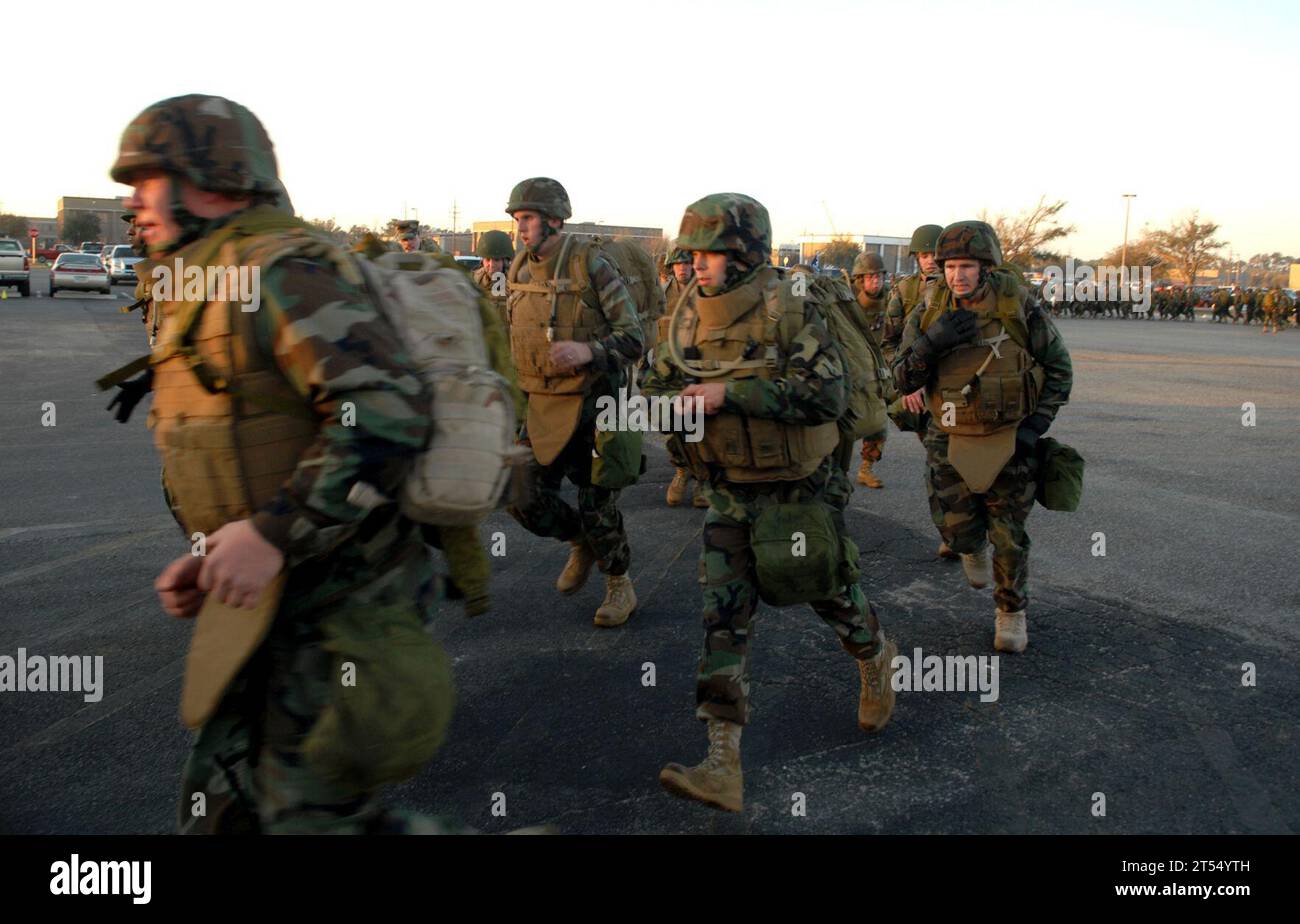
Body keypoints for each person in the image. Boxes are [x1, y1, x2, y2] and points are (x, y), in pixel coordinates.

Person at [109, 94, 455, 833]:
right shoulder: (209, 278)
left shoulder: (280, 271)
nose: (133, 202)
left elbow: (388, 414)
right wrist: (217, 552)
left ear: (216, 180)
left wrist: (270, 534)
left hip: (342, 606)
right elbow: (250, 436)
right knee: (222, 814)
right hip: (269, 604)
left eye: (148, 179)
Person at [644, 193, 896, 814]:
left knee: (824, 589)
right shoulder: (683, 315)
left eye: (710, 253)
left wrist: (729, 395)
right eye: (692, 253)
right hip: (727, 492)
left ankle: (873, 654)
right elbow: (654, 384)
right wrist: (666, 404)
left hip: (794, 491)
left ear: (746, 253)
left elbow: (826, 396)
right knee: (722, 620)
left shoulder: (791, 309)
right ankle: (723, 763)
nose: (695, 264)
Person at [893, 220, 1072, 653]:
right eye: (950, 265)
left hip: (1007, 433)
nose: (958, 275)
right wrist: (929, 344)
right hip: (948, 431)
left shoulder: (1017, 306)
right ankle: (969, 546)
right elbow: (900, 377)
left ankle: (1011, 612)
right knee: (955, 529)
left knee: (1008, 533)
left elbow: (1060, 369)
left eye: (967, 266)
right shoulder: (931, 307)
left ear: (986, 267)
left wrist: (1035, 426)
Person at [503, 177, 643, 627]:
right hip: (543, 401)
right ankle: (580, 539)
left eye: (526, 219)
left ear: (553, 220)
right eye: (517, 219)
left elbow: (634, 338)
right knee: (519, 492)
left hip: (601, 401)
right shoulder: (519, 270)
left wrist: (589, 351)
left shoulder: (592, 264)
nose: (520, 228)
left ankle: (619, 582)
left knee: (596, 500)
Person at [660, 247, 707, 508]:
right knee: (672, 423)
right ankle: (681, 470)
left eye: (687, 263)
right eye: (677, 264)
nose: (682, 268)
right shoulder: (662, 293)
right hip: (667, 370)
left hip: (696, 367)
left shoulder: (704, 293)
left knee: (699, 425)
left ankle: (702, 478)